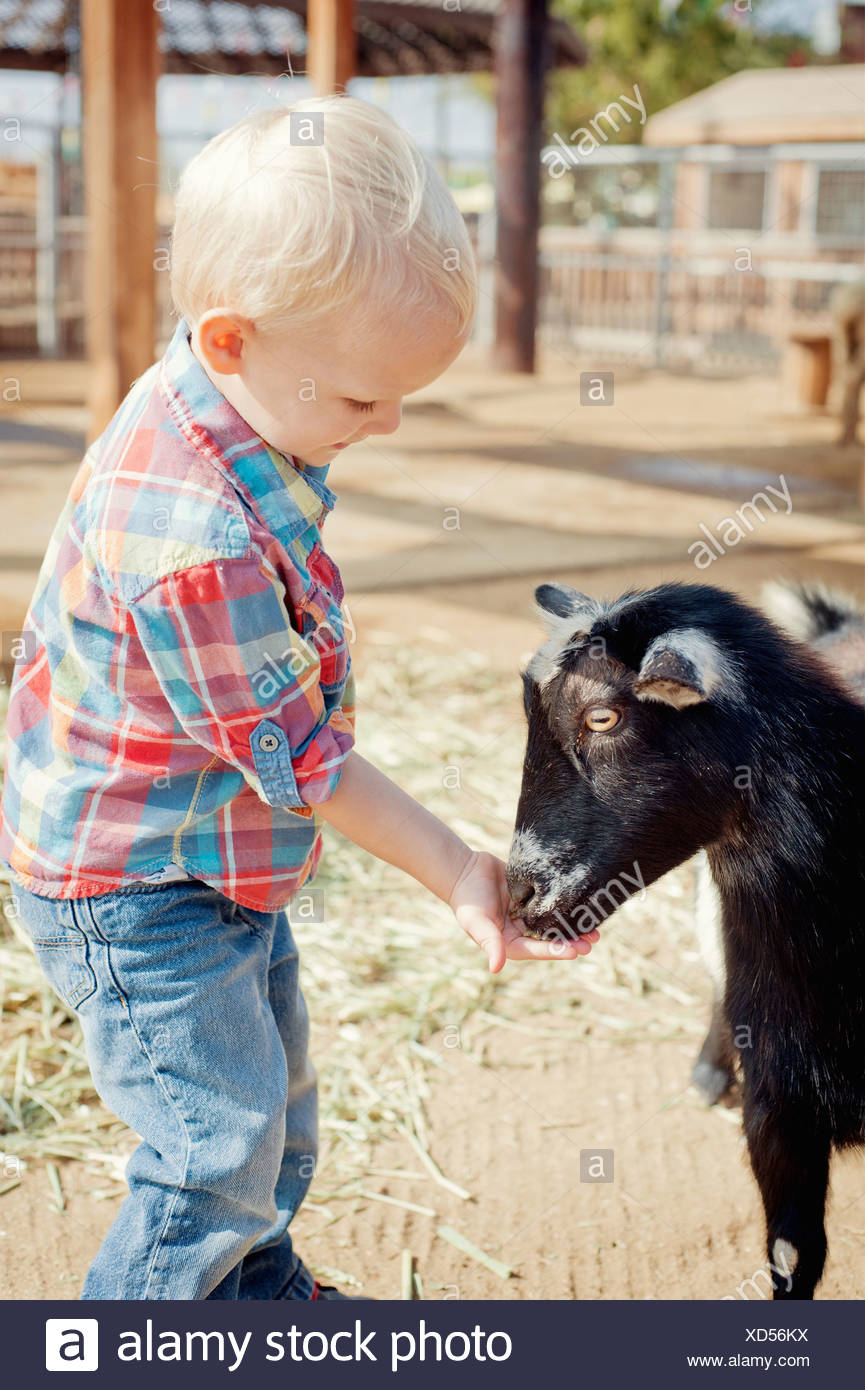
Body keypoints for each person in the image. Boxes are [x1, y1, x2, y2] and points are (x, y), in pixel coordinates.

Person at [0, 96, 597, 1301]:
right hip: (137, 889)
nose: (382, 426)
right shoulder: (193, 540)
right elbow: (305, 760)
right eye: (358, 398)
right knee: (211, 1151)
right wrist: (455, 864)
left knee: (270, 1113)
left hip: (207, 849)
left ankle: (258, 1304)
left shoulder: (223, 395)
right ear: (230, 338)